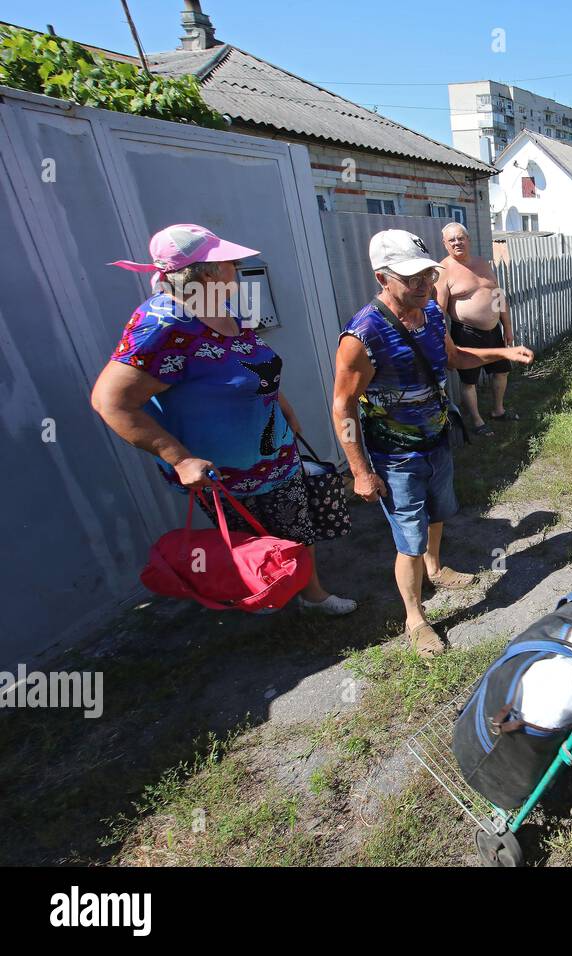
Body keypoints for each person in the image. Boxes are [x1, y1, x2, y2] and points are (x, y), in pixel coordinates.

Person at [91, 223, 356, 615]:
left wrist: (280, 404)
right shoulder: (162, 325)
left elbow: (248, 363)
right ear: (207, 273)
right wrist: (179, 458)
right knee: (247, 539)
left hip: (273, 450)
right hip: (225, 472)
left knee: (296, 527)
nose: (235, 267)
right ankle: (263, 596)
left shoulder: (221, 308)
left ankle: (311, 594)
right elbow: (110, 402)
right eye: (228, 262)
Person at [333, 230, 534, 657]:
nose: (425, 285)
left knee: (439, 513)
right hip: (395, 456)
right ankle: (416, 618)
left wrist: (503, 353)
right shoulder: (363, 335)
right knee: (409, 537)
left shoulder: (430, 315)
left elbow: (455, 357)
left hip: (437, 440)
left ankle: (437, 568)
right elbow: (343, 405)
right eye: (413, 278)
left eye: (428, 274)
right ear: (382, 277)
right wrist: (359, 470)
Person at [436, 222, 517, 436]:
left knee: (501, 372)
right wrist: (447, 343)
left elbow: (498, 295)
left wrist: (507, 327)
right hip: (466, 333)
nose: (457, 242)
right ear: (445, 244)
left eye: (460, 238)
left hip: (494, 332)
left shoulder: (482, 263)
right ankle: (478, 421)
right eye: (451, 239)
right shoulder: (443, 270)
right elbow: (438, 313)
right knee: (469, 380)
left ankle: (498, 410)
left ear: (468, 240)